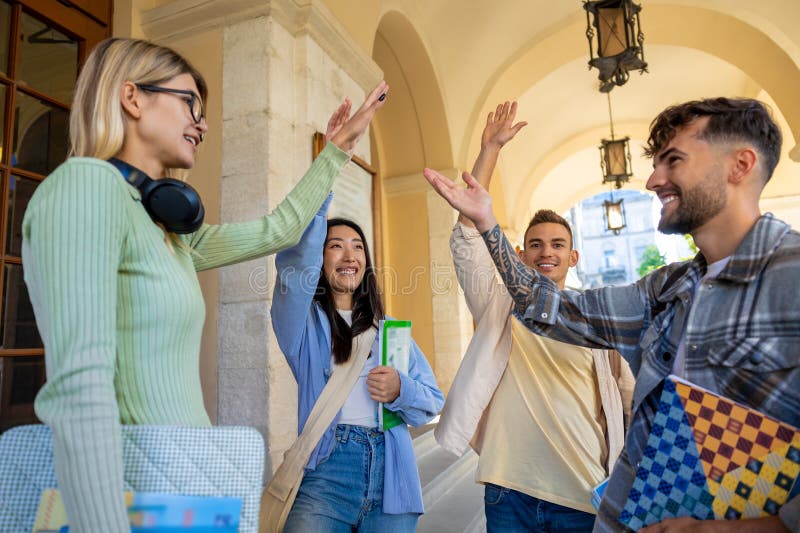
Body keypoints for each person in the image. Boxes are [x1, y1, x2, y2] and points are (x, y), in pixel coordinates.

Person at [22, 37, 387, 532]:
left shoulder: (166, 231)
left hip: (181, 491)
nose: (204, 122)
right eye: (189, 102)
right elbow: (79, 390)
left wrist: (336, 151)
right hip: (128, 503)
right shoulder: (85, 187)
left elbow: (277, 230)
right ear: (132, 98)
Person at [423, 97, 798, 532]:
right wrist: (487, 221)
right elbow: (547, 307)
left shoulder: (792, 276)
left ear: (740, 165)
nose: (654, 180)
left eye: (672, 160)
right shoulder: (664, 288)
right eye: (656, 163)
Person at [435, 102, 634, 532]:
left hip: (583, 490)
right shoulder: (499, 302)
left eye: (558, 244)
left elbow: (629, 401)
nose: (547, 252)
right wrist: (489, 150)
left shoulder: (595, 316)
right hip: (509, 489)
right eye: (537, 244)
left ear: (573, 256)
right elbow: (469, 236)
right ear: (520, 254)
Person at [271, 198, 444, 532]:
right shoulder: (303, 325)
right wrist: (318, 200)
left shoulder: (390, 330)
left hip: (392, 477)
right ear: (318, 259)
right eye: (335, 246)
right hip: (325, 474)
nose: (349, 256)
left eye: (358, 248)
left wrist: (400, 389)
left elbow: (433, 401)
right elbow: (293, 275)